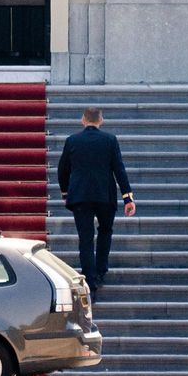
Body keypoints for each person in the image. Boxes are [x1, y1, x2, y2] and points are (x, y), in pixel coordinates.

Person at [57, 107, 137, 301]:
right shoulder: (110, 140)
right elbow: (119, 169)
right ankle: (101, 270)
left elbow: (62, 169)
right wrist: (128, 198)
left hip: (81, 197)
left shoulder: (72, 140)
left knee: (85, 238)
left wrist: (66, 192)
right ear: (101, 120)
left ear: (83, 120)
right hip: (104, 195)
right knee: (105, 231)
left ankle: (90, 281)